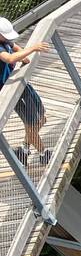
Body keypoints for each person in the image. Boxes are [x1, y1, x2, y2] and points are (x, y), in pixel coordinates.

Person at [0, 19, 50, 167]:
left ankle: (24, 149)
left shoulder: (6, 42)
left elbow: (17, 50)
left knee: (41, 119)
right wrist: (33, 48)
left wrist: (23, 54)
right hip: (10, 90)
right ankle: (43, 153)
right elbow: (9, 58)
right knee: (31, 123)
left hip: (20, 83)